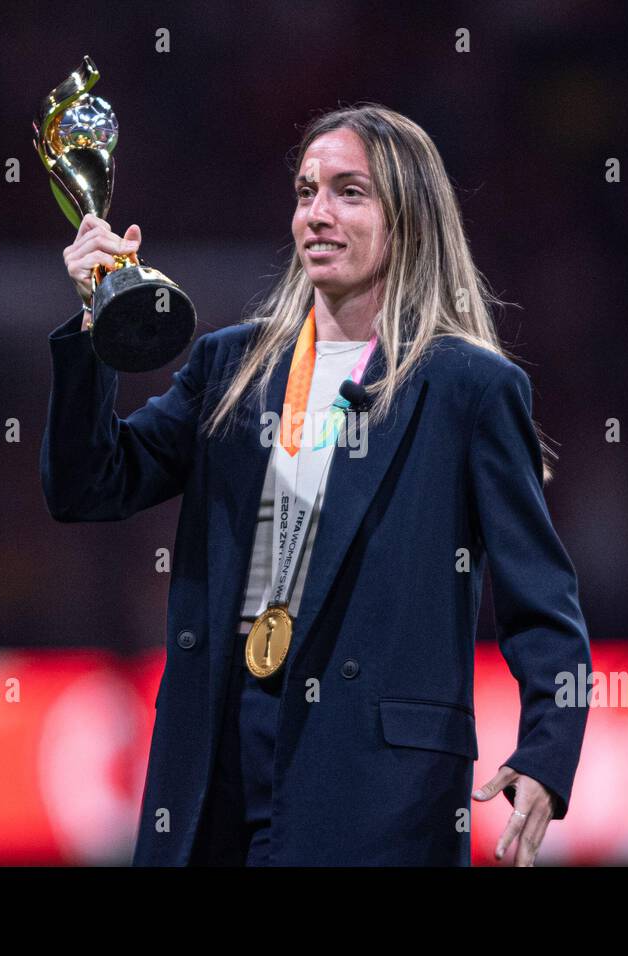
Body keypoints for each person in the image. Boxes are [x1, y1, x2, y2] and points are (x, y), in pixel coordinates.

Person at [41, 103, 590, 866]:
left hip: (379, 786)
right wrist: (99, 323)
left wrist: (546, 752)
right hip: (219, 769)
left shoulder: (466, 387)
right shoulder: (230, 369)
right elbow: (89, 486)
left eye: (349, 192)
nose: (317, 214)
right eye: (305, 192)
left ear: (410, 216)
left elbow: (544, 603)